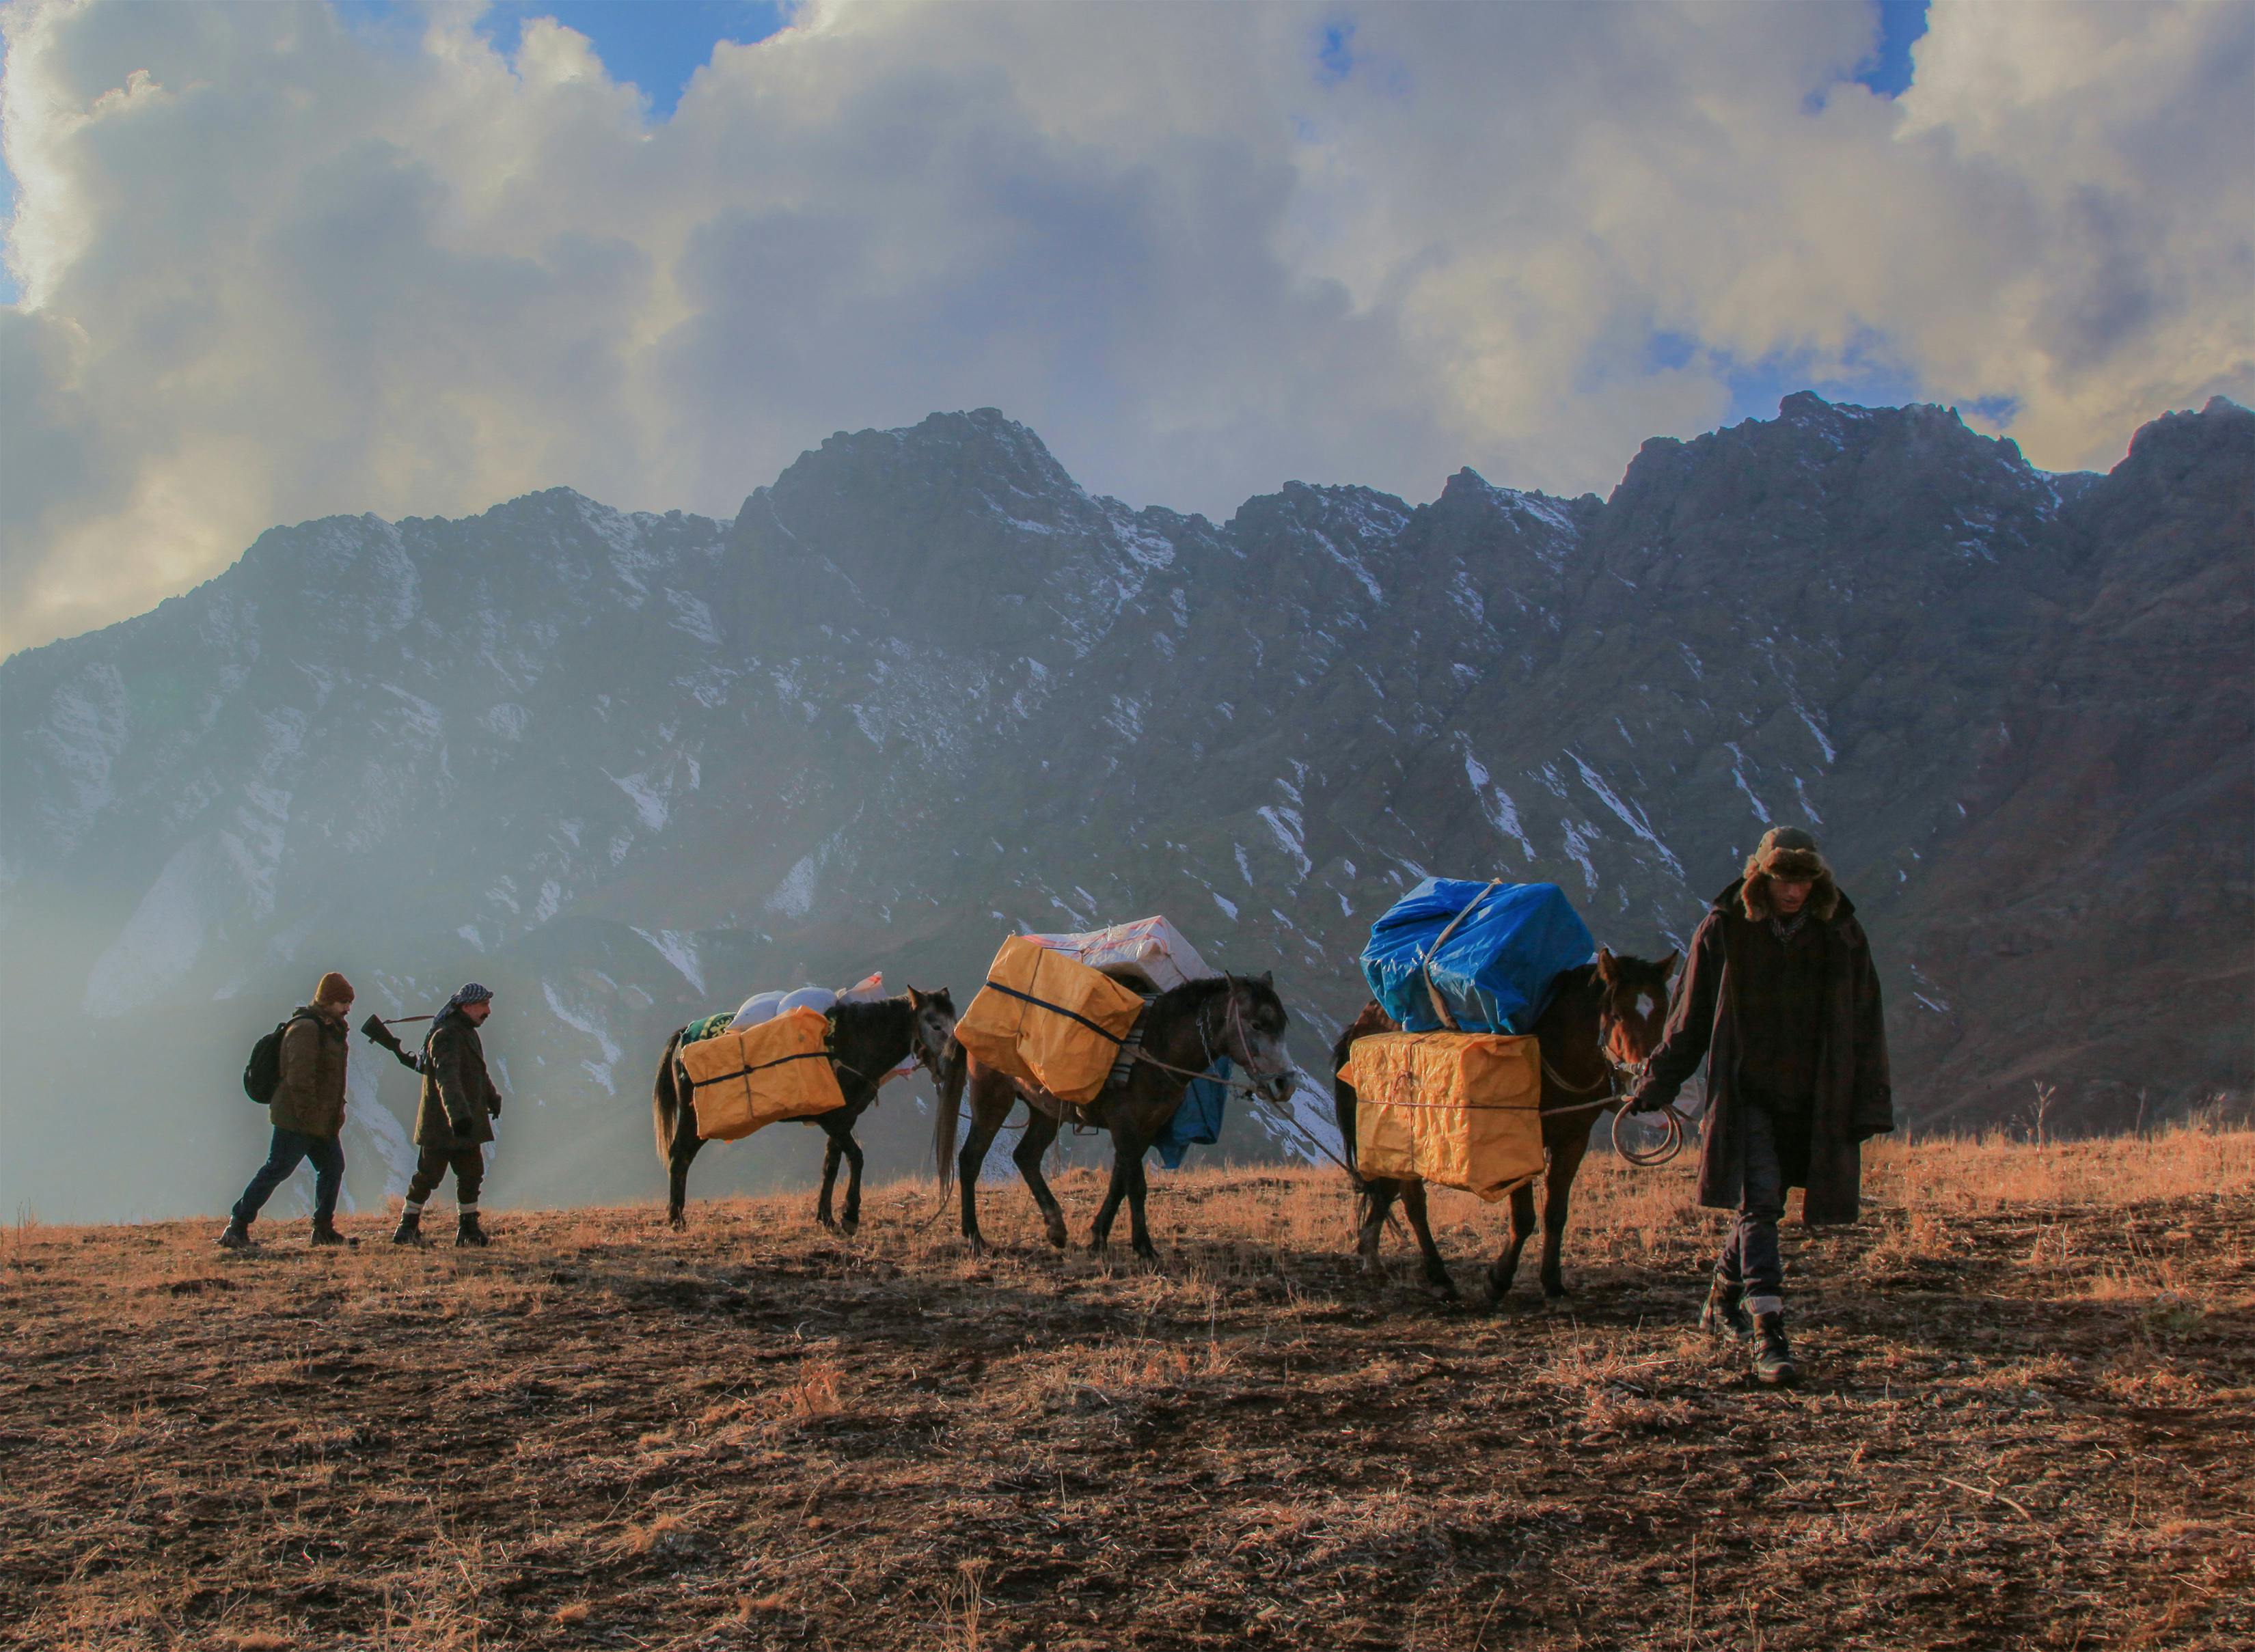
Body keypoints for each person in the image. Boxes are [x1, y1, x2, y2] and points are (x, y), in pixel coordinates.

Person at [1628, 827, 1892, 1386]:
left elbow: (1867, 1018)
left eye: (1801, 880)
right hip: (1746, 1091)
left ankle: (1722, 1300)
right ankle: (1769, 1332)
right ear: (1762, 878)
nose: (1792, 891)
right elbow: (1691, 1016)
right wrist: (1657, 1082)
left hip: (1814, 1096)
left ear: (1814, 881)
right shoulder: (1725, 929)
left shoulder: (1840, 932)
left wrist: (1869, 1100)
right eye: (1781, 879)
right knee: (1761, 1206)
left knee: (1764, 1205)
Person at [218, 973, 357, 1250]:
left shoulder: (329, 1027)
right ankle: (237, 1226)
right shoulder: (307, 1029)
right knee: (277, 1169)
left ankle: (323, 1230)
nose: (347, 1008)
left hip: (319, 1120)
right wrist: (309, 1115)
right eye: (343, 1002)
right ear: (327, 1001)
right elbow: (299, 1079)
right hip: (297, 1119)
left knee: (332, 1168)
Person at [392, 983, 504, 1248]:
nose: (488, 1011)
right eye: (484, 1005)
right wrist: (459, 1118)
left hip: (461, 1122)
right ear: (467, 1007)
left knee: (471, 1174)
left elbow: (477, 1071)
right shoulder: (447, 1036)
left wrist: (492, 1097)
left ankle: (468, 1228)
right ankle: (407, 1228)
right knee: (428, 1176)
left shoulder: (465, 1032)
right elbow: (447, 1079)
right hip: (444, 1125)